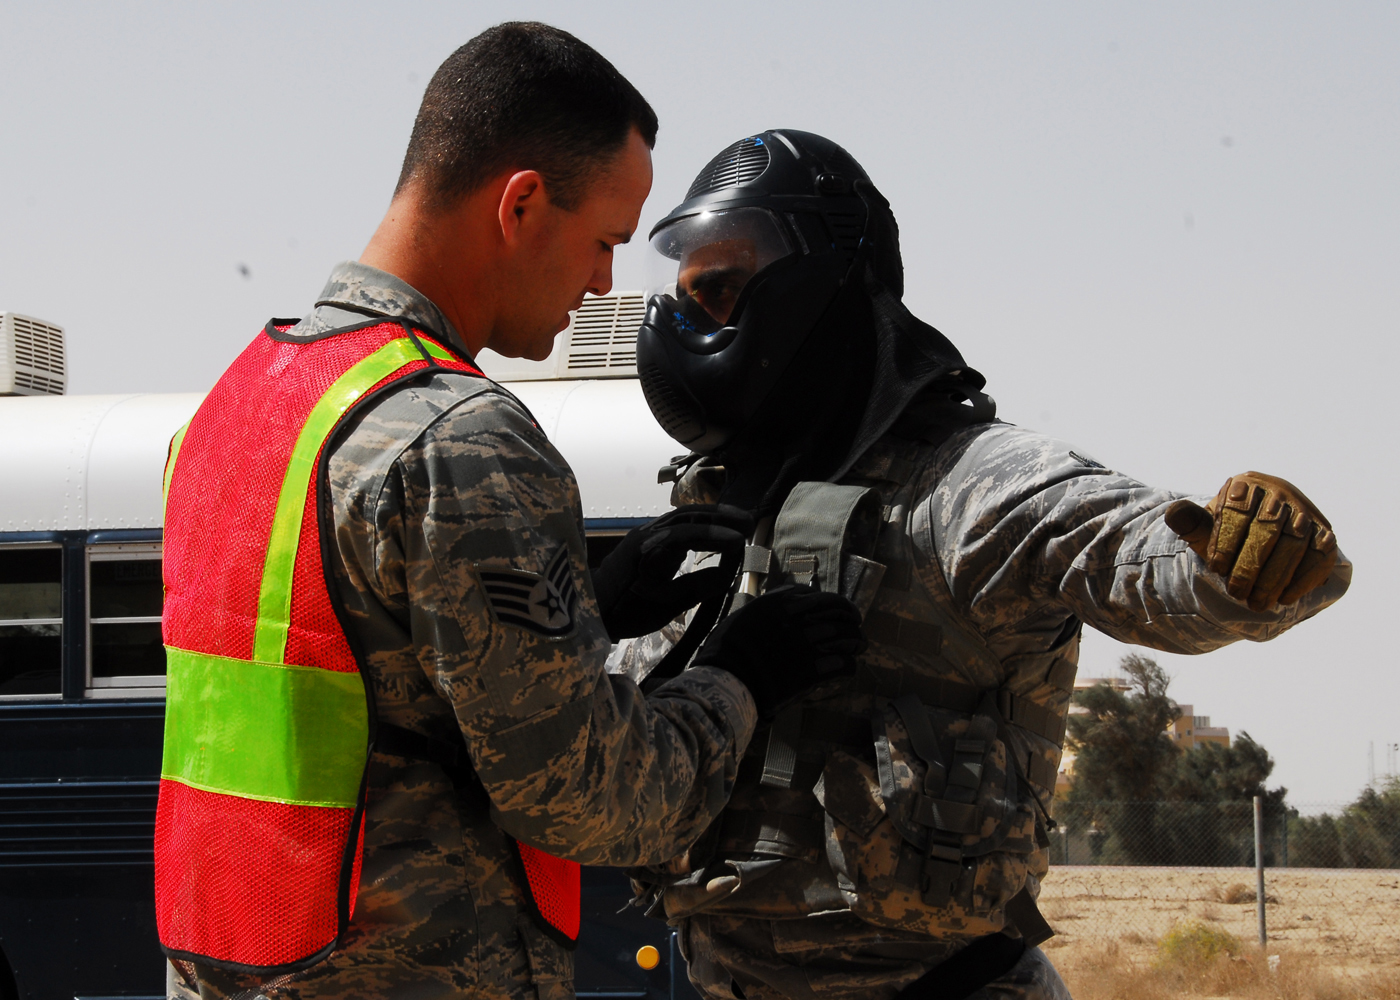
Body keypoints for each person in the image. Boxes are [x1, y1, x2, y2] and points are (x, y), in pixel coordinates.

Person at [155, 33, 864, 1000]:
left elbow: (360, 678)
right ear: (521, 203)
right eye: (607, 241)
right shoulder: (461, 437)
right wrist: (743, 674)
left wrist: (588, 620)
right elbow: (595, 801)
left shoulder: (232, 407)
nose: (607, 285)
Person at [611, 129, 1351, 1000]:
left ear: (828, 282)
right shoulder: (709, 513)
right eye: (690, 297)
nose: (696, 321)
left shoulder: (973, 486)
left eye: (727, 290)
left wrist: (1249, 564)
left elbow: (1153, 564)